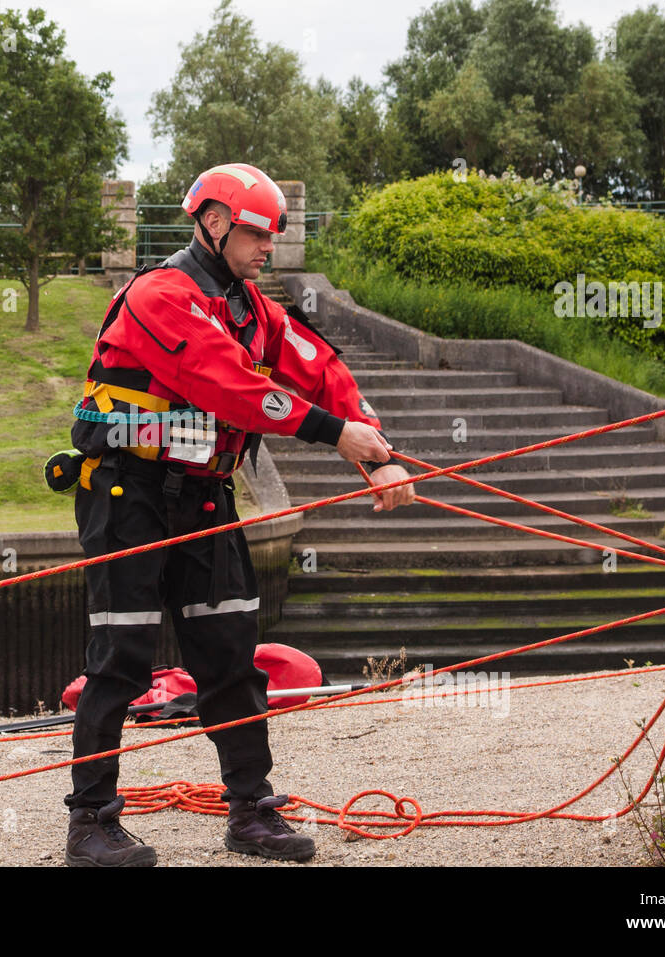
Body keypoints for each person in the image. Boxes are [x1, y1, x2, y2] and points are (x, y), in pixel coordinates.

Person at [63, 162, 415, 867]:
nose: (267, 250)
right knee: (121, 658)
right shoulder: (158, 295)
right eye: (257, 235)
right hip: (127, 494)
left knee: (231, 659)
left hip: (204, 498)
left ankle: (252, 811)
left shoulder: (255, 310)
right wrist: (333, 434)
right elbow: (230, 385)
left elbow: (321, 368)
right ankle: (90, 822)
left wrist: (378, 453)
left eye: (273, 238)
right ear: (215, 222)